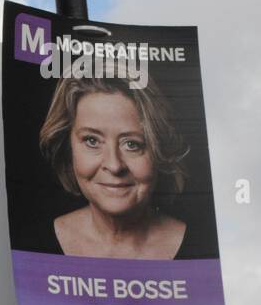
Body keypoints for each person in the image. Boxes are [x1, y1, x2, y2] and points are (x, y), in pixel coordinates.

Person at [36, 75, 191, 260]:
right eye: (92, 141)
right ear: (68, 147)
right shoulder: (35, 240)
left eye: (132, 144)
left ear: (160, 152)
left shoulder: (201, 246)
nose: (114, 165)